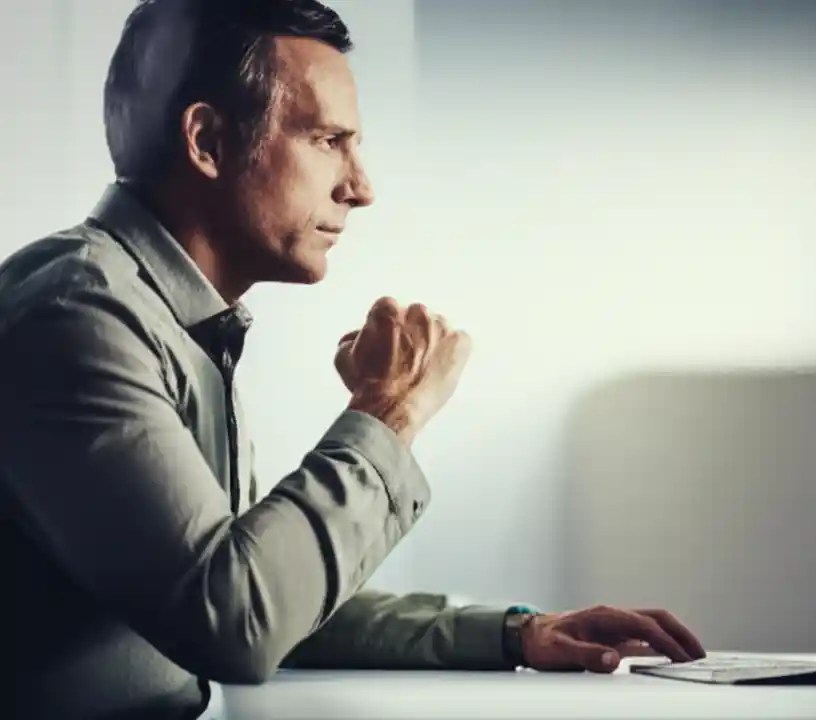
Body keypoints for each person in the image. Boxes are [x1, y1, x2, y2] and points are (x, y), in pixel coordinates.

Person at [0, 1, 705, 717]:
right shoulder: (77, 319)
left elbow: (273, 596)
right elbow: (238, 621)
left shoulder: (170, 318)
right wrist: (387, 412)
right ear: (208, 140)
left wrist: (516, 634)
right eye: (328, 140)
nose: (360, 188)